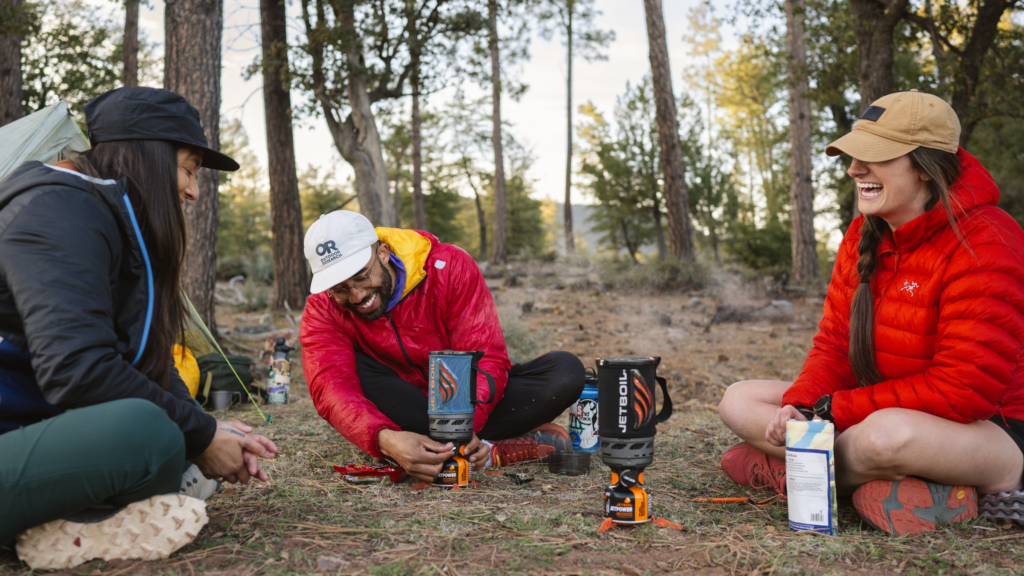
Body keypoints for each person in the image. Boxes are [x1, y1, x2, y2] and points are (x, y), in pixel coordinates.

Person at [717, 90, 1024, 536]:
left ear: (924, 166)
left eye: (874, 157)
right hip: (885, 404)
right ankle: (903, 487)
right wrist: (802, 406)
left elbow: (963, 392)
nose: (854, 169)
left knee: (885, 436)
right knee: (738, 399)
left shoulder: (987, 239)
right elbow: (834, 348)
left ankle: (794, 473)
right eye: (854, 156)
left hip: (990, 430)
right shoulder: (864, 232)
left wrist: (831, 411)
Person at [0, 87, 277, 568]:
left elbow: (139, 357)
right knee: (147, 432)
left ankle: (73, 526)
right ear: (146, 154)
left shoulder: (100, 214)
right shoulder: (57, 210)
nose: (193, 190)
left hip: (25, 432)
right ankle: (78, 521)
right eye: (189, 168)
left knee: (165, 435)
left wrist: (207, 426)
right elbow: (78, 370)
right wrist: (200, 436)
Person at [301, 211, 584, 482]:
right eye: (340, 289)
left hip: (468, 401)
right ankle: (489, 453)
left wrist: (465, 424)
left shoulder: (448, 266)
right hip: (401, 404)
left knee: (565, 371)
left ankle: (452, 447)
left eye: (362, 276)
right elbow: (330, 387)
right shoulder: (322, 309)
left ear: (383, 253)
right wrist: (385, 440)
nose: (358, 295)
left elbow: (487, 357)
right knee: (349, 372)